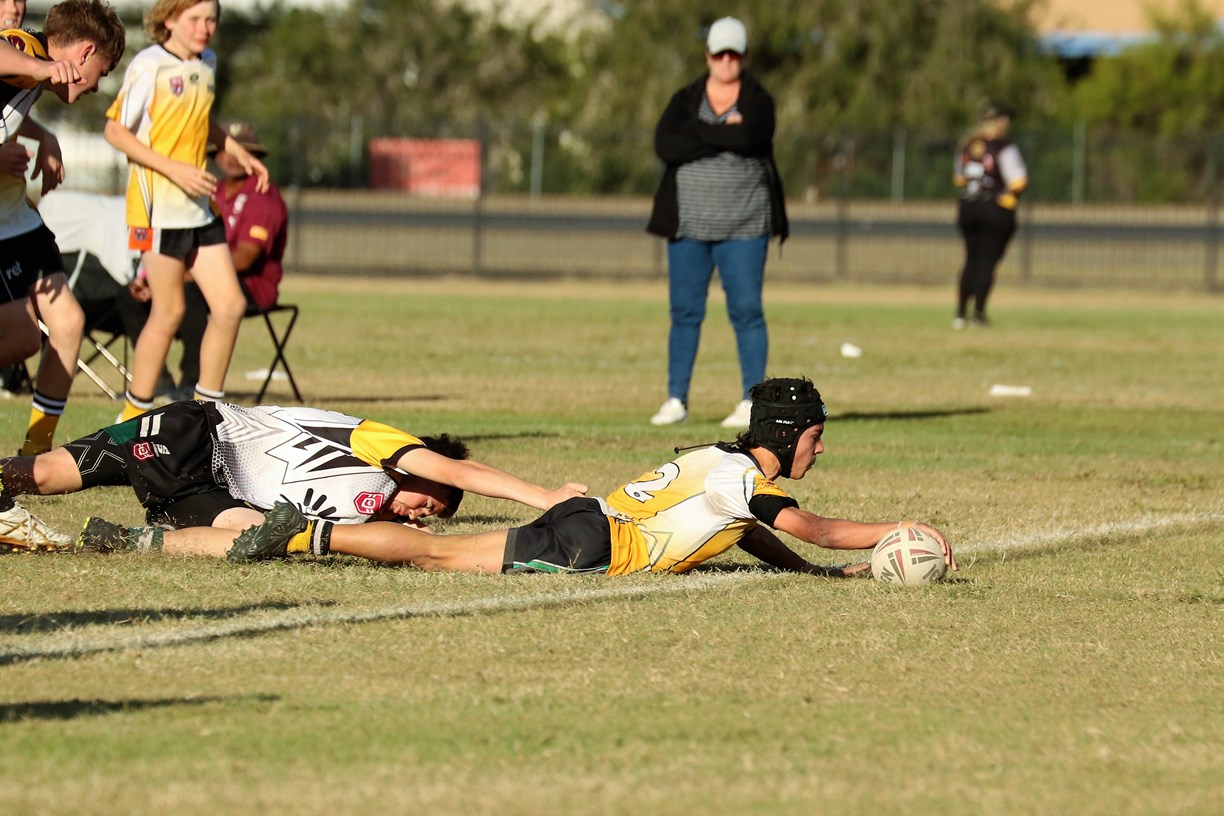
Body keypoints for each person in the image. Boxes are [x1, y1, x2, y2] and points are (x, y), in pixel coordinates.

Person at [126, 378, 956, 580]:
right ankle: (310, 537)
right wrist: (893, 531)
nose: (818, 452)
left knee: (432, 555)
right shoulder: (746, 475)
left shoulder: (725, 470)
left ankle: (181, 543)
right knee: (433, 558)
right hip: (591, 545)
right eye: (817, 439)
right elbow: (799, 521)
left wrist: (815, 577)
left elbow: (764, 535)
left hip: (589, 521)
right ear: (796, 436)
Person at [0, 400, 589, 552]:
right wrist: (545, 498)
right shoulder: (384, 445)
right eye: (429, 502)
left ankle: (115, 541)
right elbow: (460, 468)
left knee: (265, 533)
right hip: (193, 434)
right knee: (45, 476)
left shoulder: (363, 511)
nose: (419, 510)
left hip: (202, 489)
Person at [103, 0, 269, 421]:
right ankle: (128, 422)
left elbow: (200, 120)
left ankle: (204, 418)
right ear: (169, 20)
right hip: (158, 210)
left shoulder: (207, 61)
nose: (205, 27)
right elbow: (116, 130)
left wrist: (234, 150)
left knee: (230, 306)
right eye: (195, 19)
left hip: (197, 207)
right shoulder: (149, 64)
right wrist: (174, 169)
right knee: (169, 311)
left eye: (212, 19)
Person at [646, 16, 788, 431]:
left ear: (743, 57)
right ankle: (676, 398)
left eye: (734, 54)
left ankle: (751, 399)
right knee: (684, 313)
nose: (726, 61)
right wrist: (722, 130)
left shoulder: (759, 100)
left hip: (746, 227)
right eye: (719, 53)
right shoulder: (685, 99)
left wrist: (701, 135)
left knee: (746, 310)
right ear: (708, 55)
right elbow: (666, 145)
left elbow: (753, 140)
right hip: (689, 227)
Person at [0, 0, 126, 457]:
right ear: (86, 52)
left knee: (69, 322)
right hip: (1, 227)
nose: (99, 86)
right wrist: (45, 66)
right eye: (103, 72)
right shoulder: (26, 50)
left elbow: (11, 103)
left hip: (17, 220)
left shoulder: (30, 70)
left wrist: (44, 135)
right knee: (22, 338)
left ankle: (34, 455)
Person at [952, 101, 1028, 329]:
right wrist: (1003, 193)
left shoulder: (967, 146)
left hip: (968, 206)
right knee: (987, 261)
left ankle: (959, 314)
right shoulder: (1004, 148)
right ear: (1002, 121)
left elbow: (958, 179)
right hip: (995, 209)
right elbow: (1018, 181)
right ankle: (978, 313)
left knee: (971, 259)